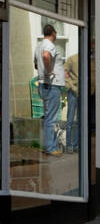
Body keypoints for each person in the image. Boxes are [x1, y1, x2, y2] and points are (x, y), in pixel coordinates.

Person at [33, 23, 64, 156]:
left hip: (43, 84)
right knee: (51, 119)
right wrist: (50, 70)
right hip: (52, 85)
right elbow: (46, 56)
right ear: (53, 33)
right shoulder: (49, 45)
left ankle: (48, 146)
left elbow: (35, 64)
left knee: (48, 118)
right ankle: (51, 148)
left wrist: (44, 71)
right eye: (55, 32)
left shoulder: (38, 46)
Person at [65, 50, 79, 152]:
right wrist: (71, 86)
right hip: (73, 92)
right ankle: (69, 145)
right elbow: (64, 73)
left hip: (83, 92)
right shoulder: (72, 59)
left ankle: (76, 145)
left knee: (80, 120)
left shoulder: (89, 59)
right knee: (70, 120)